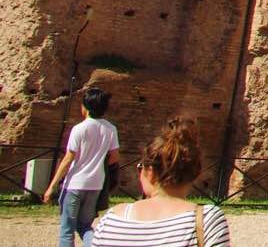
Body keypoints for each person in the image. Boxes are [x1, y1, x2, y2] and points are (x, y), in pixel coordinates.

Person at [89, 117, 230, 246]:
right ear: (196, 172)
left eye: (140, 167)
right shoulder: (207, 220)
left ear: (149, 172)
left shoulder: (112, 219)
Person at [43, 86, 120, 247]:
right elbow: (114, 157)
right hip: (96, 185)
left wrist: (52, 186)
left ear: (85, 107)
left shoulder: (79, 129)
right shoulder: (111, 129)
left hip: (75, 184)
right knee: (85, 226)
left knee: (66, 230)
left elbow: (67, 159)